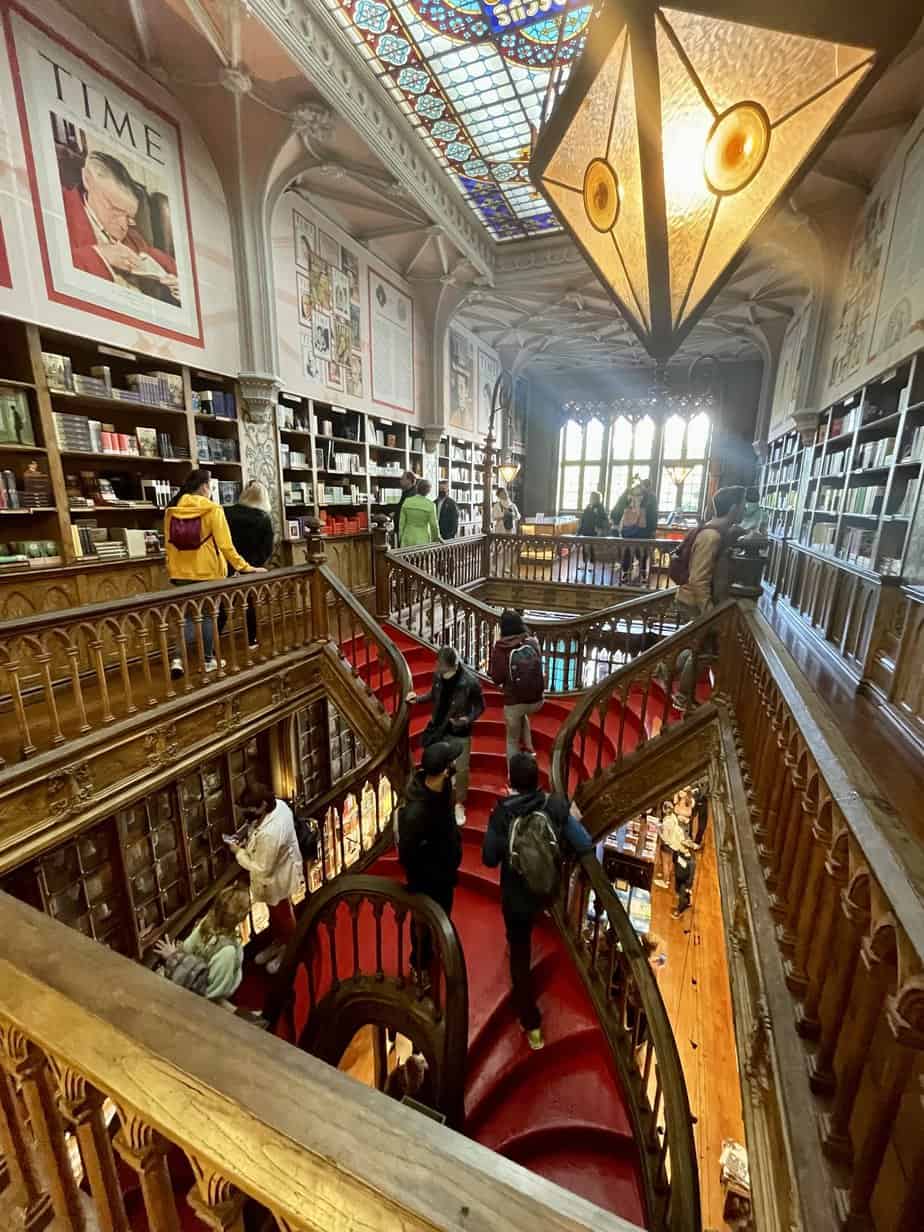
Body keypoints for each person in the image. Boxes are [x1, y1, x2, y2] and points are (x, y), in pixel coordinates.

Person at [482, 753, 593, 1051]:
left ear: (510, 782)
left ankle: (532, 1027)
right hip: (544, 893)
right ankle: (531, 1029)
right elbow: (583, 843)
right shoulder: (554, 805)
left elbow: (488, 858)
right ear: (537, 779)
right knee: (524, 930)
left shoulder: (502, 814)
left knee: (519, 955)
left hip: (515, 899)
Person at [164, 469, 264, 677]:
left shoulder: (171, 511)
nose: (211, 490)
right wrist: (246, 567)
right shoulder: (213, 510)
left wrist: (172, 570)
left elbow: (169, 545)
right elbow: (226, 546)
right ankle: (208, 660)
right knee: (208, 616)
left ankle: (177, 659)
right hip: (207, 573)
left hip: (180, 573)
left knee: (188, 617)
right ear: (203, 487)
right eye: (210, 486)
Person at [62, 152, 179, 300]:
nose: (124, 226)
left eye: (129, 218)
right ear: (87, 179)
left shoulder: (131, 232)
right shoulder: (60, 210)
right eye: (115, 210)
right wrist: (100, 255)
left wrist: (174, 280)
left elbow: (149, 254)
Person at [397, 741, 463, 975]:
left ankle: (434, 949)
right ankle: (419, 963)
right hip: (426, 881)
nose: (454, 765)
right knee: (421, 925)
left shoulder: (443, 790)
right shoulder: (415, 814)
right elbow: (407, 853)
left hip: (445, 875)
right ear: (445, 770)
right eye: (451, 763)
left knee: (442, 916)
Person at [230, 782, 303, 975]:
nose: (246, 814)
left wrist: (239, 853)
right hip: (280, 872)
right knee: (276, 912)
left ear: (262, 806)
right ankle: (280, 941)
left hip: (277, 878)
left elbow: (262, 869)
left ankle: (289, 950)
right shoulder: (277, 805)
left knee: (283, 913)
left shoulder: (270, 833)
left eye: (249, 810)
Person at [407, 646, 484, 826]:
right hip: (438, 728)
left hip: (459, 732)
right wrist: (417, 699)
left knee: (462, 769)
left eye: (440, 664)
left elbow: (480, 707)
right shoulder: (438, 677)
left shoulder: (470, 682)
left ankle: (459, 803)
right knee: (436, 765)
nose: (436, 667)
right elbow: (434, 695)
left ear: (451, 666)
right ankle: (438, 799)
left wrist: (466, 720)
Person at [153, 883, 251, 1006]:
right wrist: (174, 957)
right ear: (241, 918)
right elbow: (212, 994)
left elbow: (209, 994)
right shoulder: (227, 951)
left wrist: (174, 957)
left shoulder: (208, 924)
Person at [489, 610, 545, 769]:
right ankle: (530, 748)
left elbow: (496, 678)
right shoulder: (532, 641)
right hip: (537, 700)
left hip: (514, 703)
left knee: (512, 740)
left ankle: (513, 777)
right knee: (523, 713)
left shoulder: (500, 648)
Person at [225, 482, 275, 647]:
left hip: (228, 565)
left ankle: (211, 644)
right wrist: (255, 564)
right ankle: (251, 639)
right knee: (250, 604)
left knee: (223, 604)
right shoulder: (264, 518)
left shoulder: (227, 513)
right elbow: (267, 548)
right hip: (251, 567)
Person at [399, 478, 440, 547]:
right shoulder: (430, 505)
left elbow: (401, 523)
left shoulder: (407, 501)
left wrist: (401, 538)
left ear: (417, 488)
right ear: (428, 491)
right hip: (423, 539)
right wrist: (436, 539)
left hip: (407, 537)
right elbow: (433, 525)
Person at [393, 471, 418, 544]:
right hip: (403, 530)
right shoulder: (406, 492)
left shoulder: (412, 495)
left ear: (409, 480)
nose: (400, 481)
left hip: (407, 532)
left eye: (402, 479)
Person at [690, 782, 709, 849]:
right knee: (691, 820)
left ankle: (696, 842)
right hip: (694, 801)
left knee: (702, 823)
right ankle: (692, 841)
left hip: (701, 801)